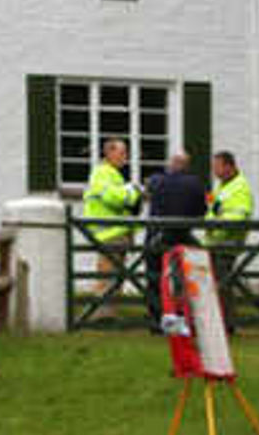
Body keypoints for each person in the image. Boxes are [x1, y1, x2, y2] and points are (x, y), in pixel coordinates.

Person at [143, 152, 207, 328]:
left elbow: (147, 190)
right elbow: (201, 211)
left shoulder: (158, 181)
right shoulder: (195, 184)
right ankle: (183, 318)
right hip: (184, 236)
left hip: (159, 235)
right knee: (184, 279)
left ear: (171, 165)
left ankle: (158, 320)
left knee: (155, 277)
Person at [83, 138, 143, 316]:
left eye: (126, 152)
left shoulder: (112, 173)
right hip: (110, 234)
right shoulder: (103, 173)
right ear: (109, 153)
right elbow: (113, 198)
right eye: (121, 152)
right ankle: (100, 315)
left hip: (116, 233)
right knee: (108, 277)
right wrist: (132, 192)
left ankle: (108, 314)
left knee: (115, 277)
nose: (126, 157)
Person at [204, 151, 253, 331]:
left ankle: (227, 324)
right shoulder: (223, 186)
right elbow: (214, 210)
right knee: (218, 284)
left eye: (217, 166)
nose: (214, 171)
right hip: (215, 243)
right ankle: (221, 322)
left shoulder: (239, 187)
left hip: (227, 243)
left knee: (223, 284)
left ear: (229, 166)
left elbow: (238, 216)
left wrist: (214, 226)